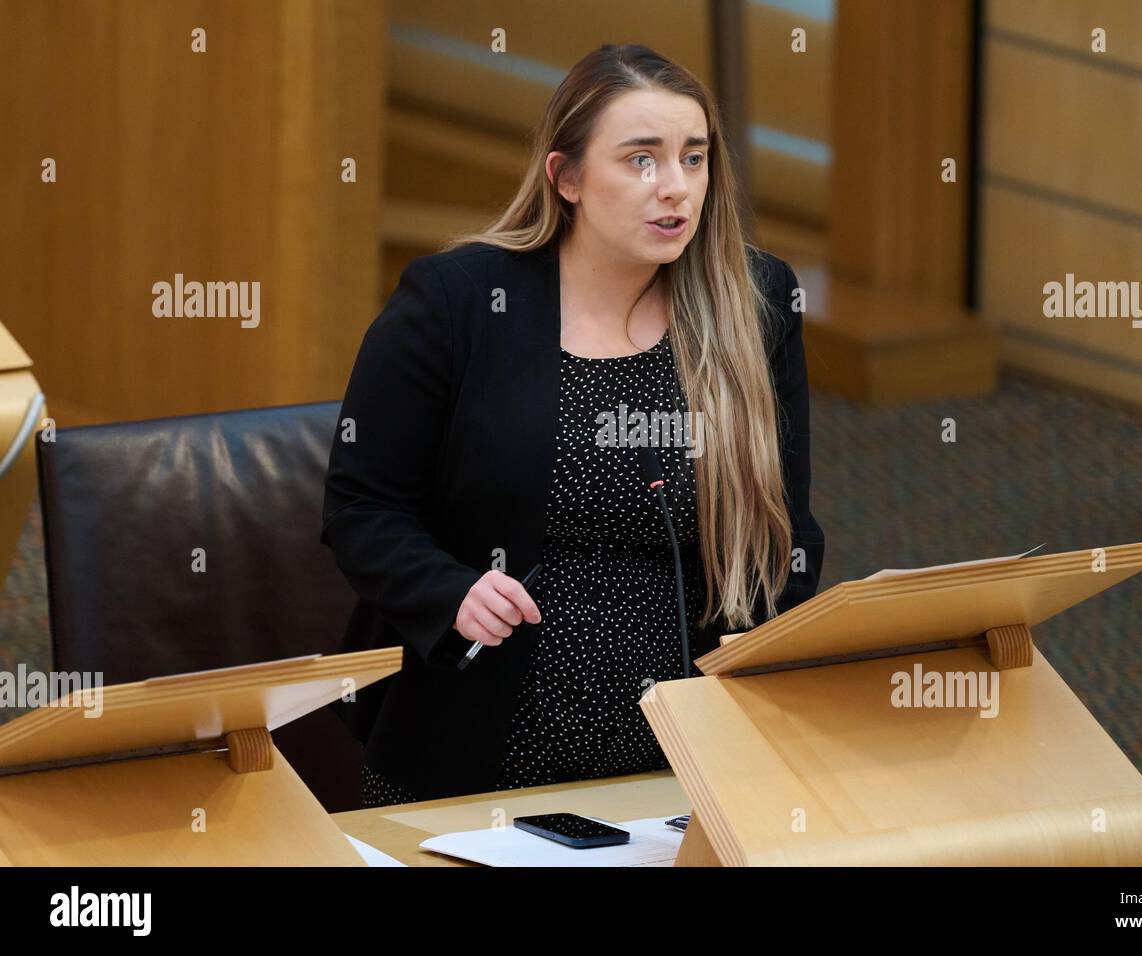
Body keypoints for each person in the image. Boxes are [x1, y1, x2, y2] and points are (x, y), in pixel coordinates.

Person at [321, 43, 825, 808]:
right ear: (567, 178)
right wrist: (449, 591)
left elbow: (789, 533)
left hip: (691, 748)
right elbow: (361, 507)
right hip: (482, 742)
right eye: (641, 160)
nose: (676, 188)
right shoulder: (455, 304)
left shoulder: (754, 303)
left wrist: (763, 685)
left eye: (694, 159)